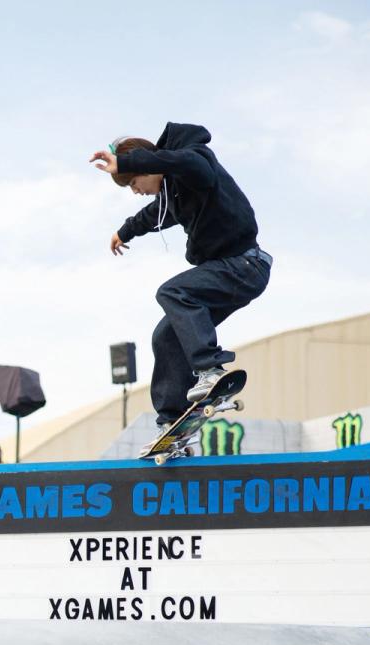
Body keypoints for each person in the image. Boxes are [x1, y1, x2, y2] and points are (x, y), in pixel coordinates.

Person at [91, 124, 271, 438]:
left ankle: (209, 368)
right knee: (166, 335)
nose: (135, 191)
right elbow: (151, 216)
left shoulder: (194, 167)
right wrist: (125, 231)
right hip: (228, 273)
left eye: (134, 182)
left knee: (173, 292)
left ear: (148, 164)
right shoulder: (174, 195)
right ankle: (172, 421)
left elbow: (190, 164)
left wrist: (131, 162)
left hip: (244, 264)